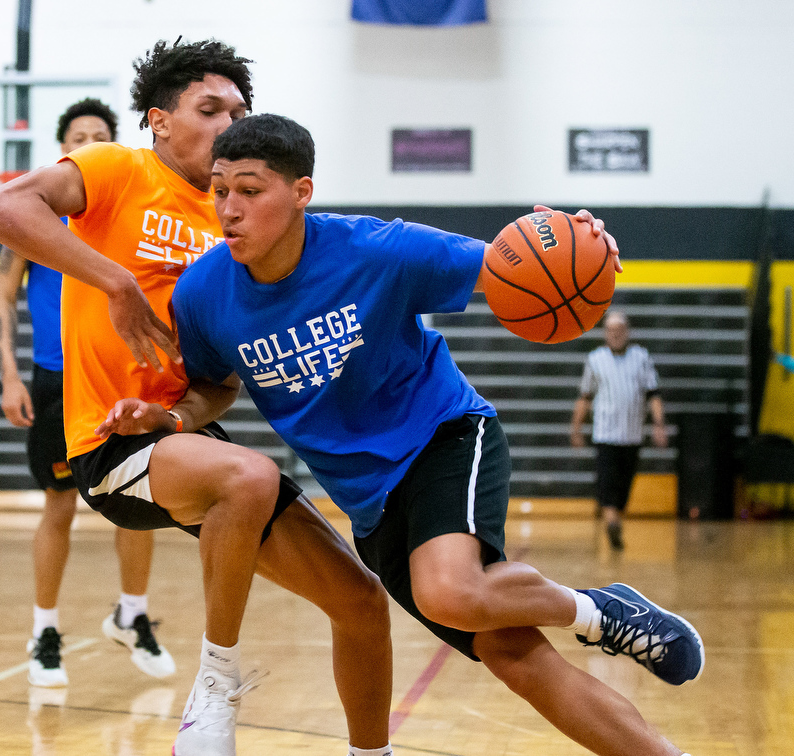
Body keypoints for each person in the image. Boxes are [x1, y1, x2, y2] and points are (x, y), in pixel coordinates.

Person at [163, 113, 704, 756]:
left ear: (301, 192)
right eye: (220, 190)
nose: (229, 209)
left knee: (450, 591)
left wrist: (581, 245)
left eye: (250, 191)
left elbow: (514, 268)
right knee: (517, 659)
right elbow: (212, 386)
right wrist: (172, 418)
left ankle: (598, 612)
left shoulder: (378, 251)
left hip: (444, 437)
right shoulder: (202, 293)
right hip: (372, 507)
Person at [0, 40, 394, 756]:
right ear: (160, 121)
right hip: (108, 443)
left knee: (361, 601)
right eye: (211, 109)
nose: (230, 123)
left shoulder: (235, 219)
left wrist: (178, 412)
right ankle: (214, 687)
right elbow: (0, 208)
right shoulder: (117, 169)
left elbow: (221, 382)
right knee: (251, 475)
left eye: (239, 111)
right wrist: (116, 280)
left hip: (181, 433)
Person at [0, 98, 177, 687]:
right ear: (64, 147)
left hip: (123, 380)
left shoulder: (126, 211)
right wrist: (10, 374)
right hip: (55, 379)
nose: (89, 140)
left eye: (101, 134)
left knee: (140, 506)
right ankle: (44, 629)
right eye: (79, 134)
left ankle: (133, 614)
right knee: (59, 504)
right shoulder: (35, 219)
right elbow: (2, 297)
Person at [571, 310, 668, 550]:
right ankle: (612, 522)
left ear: (627, 333)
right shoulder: (595, 359)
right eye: (610, 331)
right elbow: (585, 396)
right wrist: (576, 427)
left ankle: (615, 519)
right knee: (607, 483)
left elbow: (653, 395)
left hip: (632, 434)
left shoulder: (641, 357)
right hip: (604, 434)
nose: (615, 335)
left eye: (619, 330)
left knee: (624, 484)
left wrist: (658, 425)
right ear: (605, 334)